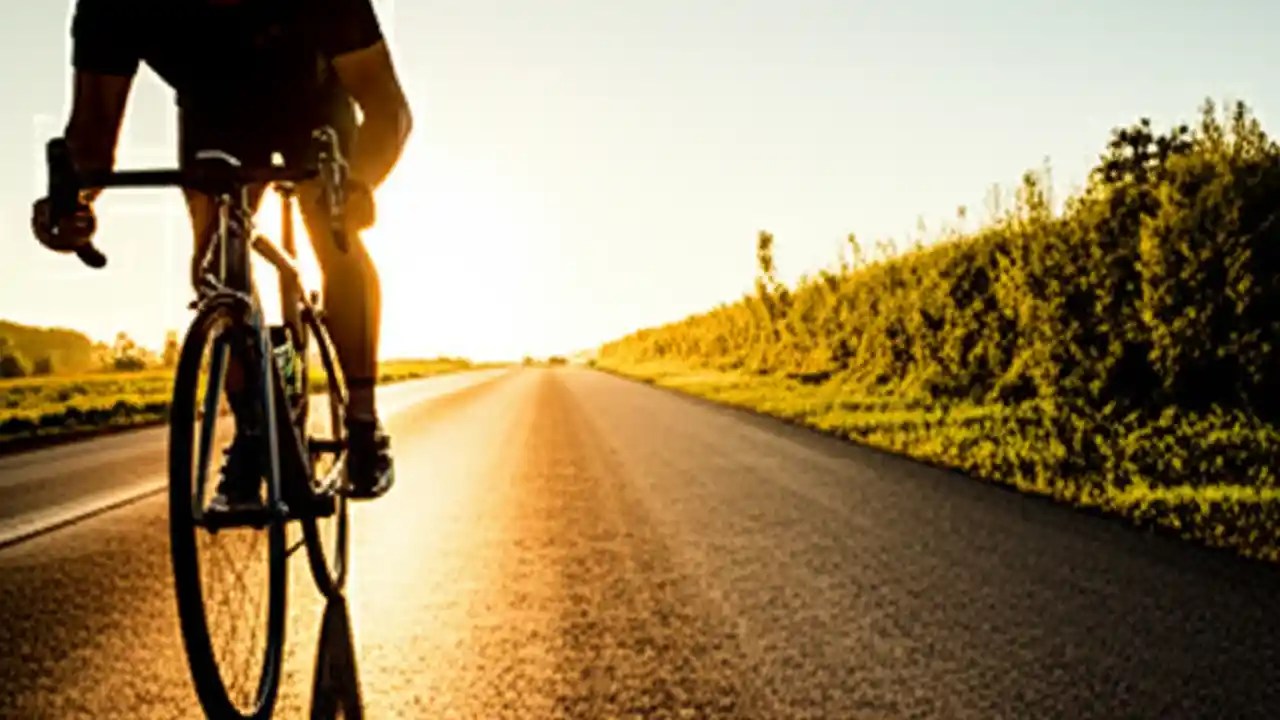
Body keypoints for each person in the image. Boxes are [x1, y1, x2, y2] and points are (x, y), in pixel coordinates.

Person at [29, 0, 413, 505]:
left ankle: (363, 423)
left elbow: (388, 108)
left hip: (313, 101)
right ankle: (254, 425)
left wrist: (359, 184)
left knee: (332, 227)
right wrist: (71, 206)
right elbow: (91, 139)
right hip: (214, 112)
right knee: (214, 256)